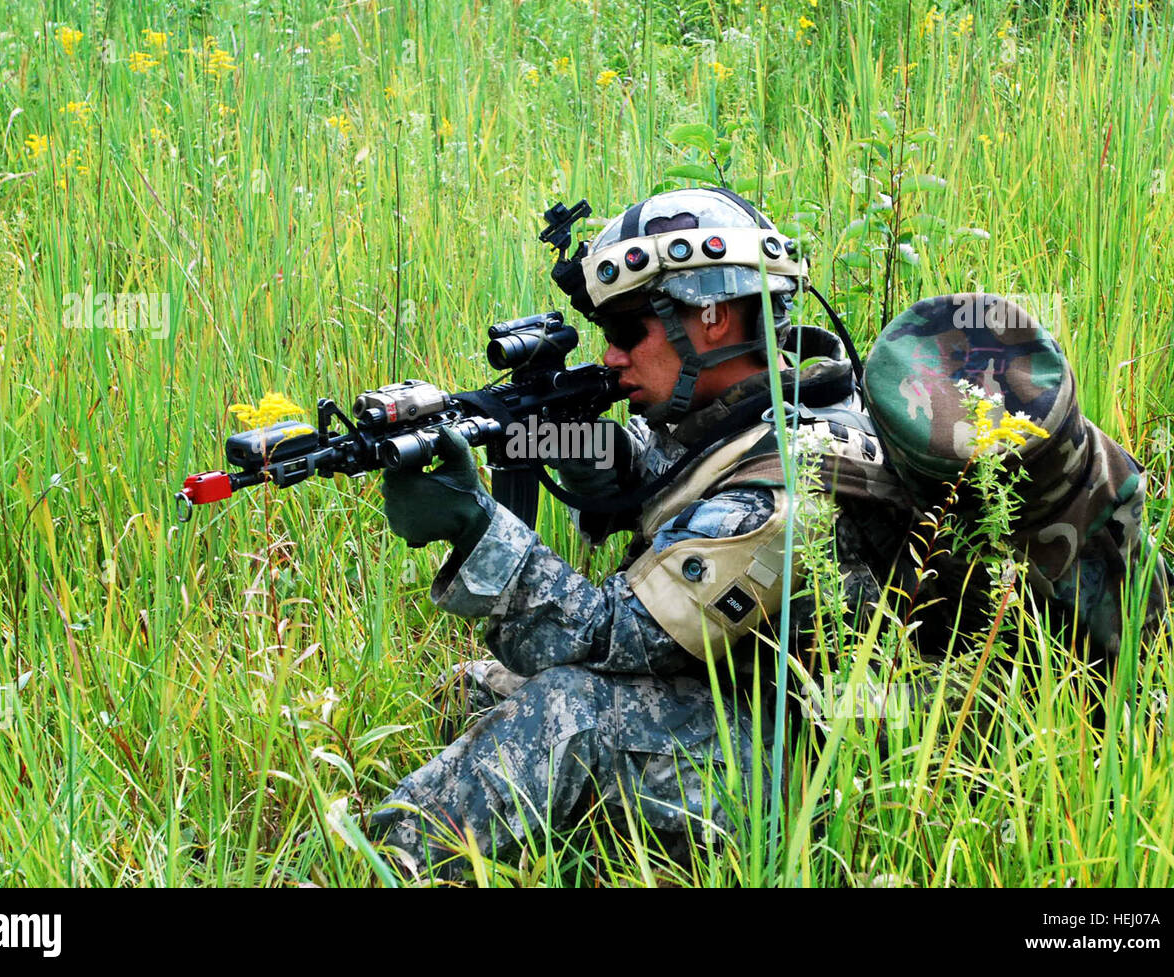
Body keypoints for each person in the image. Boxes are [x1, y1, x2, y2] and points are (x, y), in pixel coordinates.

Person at [367, 188, 904, 879]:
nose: (613, 358)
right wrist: (597, 459)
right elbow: (671, 474)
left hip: (820, 766)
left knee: (565, 710)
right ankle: (563, 839)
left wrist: (474, 526)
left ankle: (377, 864)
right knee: (471, 689)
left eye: (627, 331)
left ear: (711, 319)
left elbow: (603, 634)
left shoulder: (783, 487)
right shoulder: (760, 405)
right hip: (740, 691)